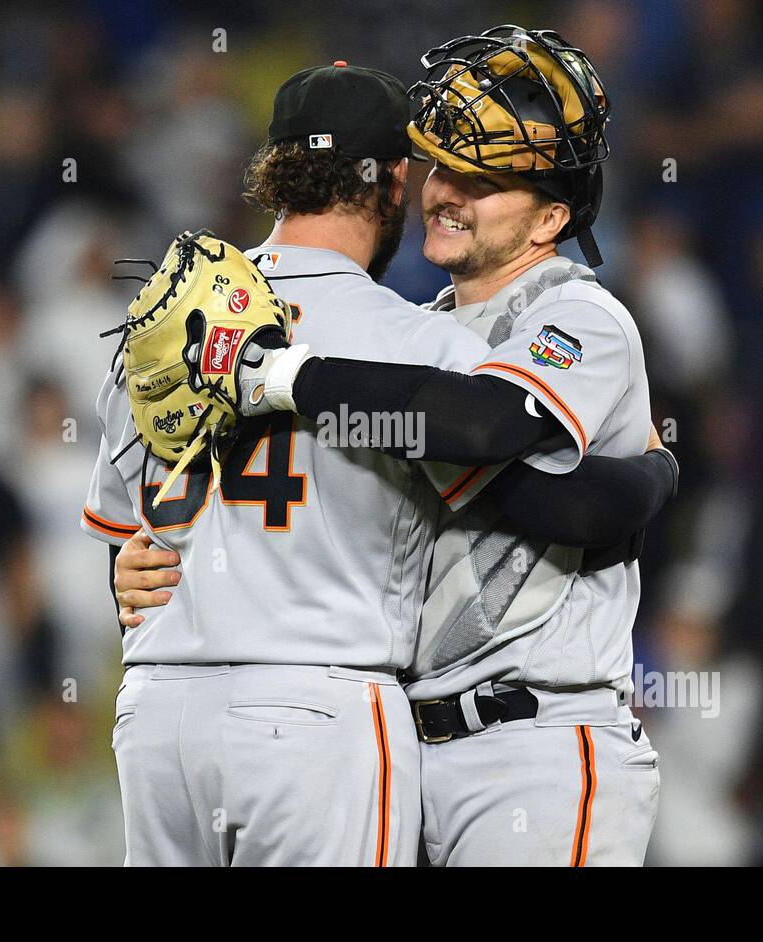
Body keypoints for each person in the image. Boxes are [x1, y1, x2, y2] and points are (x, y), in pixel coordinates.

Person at [86, 58, 675, 866]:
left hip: (515, 739)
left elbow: (123, 532)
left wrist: (128, 566)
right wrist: (655, 475)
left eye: (483, 179)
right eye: (443, 169)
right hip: (335, 715)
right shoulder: (417, 341)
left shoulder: (162, 326)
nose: (449, 193)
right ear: (397, 178)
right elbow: (555, 494)